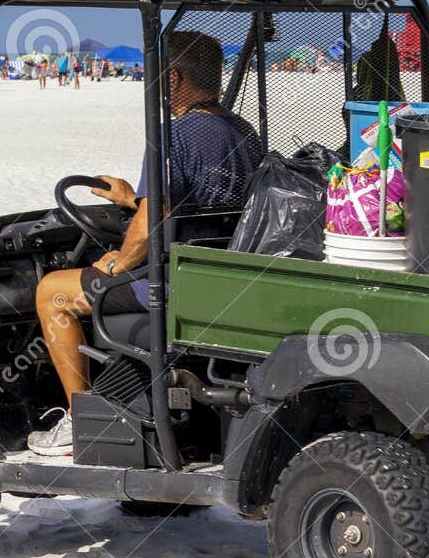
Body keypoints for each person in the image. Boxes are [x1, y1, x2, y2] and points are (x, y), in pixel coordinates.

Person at [29, 31, 263, 454]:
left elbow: (155, 219)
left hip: (174, 282)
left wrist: (119, 261)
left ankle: (78, 421)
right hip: (220, 271)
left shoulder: (173, 136)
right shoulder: (242, 131)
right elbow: (193, 198)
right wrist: (131, 198)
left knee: (51, 292)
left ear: (172, 79)